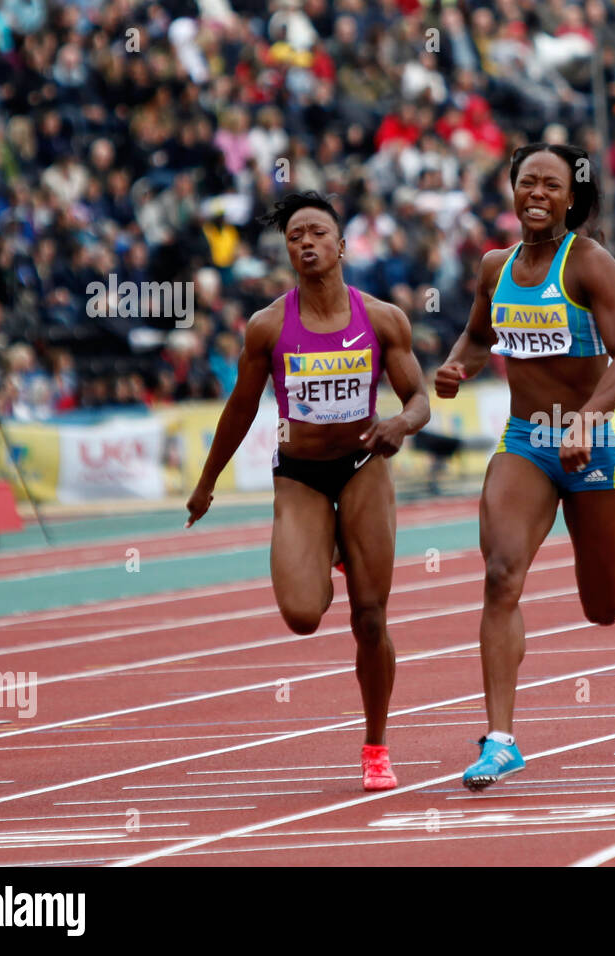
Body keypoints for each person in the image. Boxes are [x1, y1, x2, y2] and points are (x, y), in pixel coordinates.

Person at [185, 191, 430, 790]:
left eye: (318, 232)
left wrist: (399, 423)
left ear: (342, 245)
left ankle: (375, 746)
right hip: (300, 475)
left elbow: (419, 399)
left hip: (364, 465)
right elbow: (240, 408)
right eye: (295, 236)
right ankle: (333, 547)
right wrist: (206, 483)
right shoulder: (269, 326)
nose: (307, 243)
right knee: (301, 616)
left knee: (370, 619)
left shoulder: (382, 318)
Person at [435, 143, 615, 790]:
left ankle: (507, 732)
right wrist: (457, 364)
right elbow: (478, 333)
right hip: (526, 439)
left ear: (572, 198)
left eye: (551, 185)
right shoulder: (495, 267)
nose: (537, 194)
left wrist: (586, 420)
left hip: (594, 443)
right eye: (528, 182)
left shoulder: (591, 265)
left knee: (602, 607)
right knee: (501, 574)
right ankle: (501, 740)